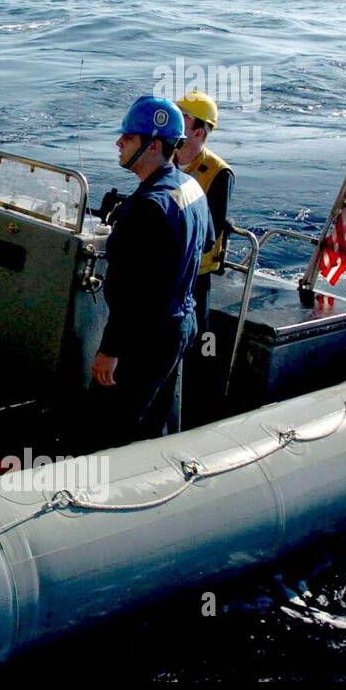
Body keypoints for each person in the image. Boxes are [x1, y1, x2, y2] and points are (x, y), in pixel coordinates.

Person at [91, 95, 213, 444]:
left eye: (127, 138)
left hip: (145, 338)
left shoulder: (144, 209)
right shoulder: (191, 187)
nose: (118, 143)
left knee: (113, 424)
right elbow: (205, 243)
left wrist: (109, 352)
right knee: (153, 420)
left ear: (154, 145)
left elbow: (129, 291)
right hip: (180, 326)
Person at [173, 91, 235, 348]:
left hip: (196, 270)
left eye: (183, 117)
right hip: (169, 266)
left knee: (196, 335)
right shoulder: (166, 159)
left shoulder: (219, 172)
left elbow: (211, 229)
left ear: (199, 131)